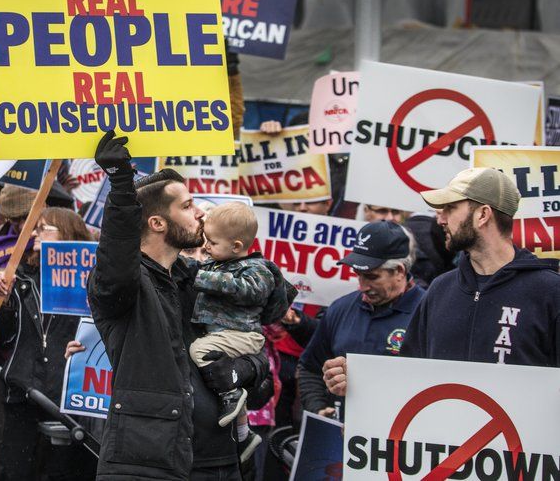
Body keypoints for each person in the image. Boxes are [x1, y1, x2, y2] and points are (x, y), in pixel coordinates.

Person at [87, 131, 270, 480]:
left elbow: (257, 352)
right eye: (187, 206)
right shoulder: (124, 285)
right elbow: (117, 262)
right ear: (157, 223)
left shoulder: (203, 279)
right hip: (152, 465)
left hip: (221, 462)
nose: (200, 213)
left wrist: (243, 369)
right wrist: (121, 187)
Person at [323, 168, 560, 398]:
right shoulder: (441, 289)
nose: (440, 218)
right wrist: (359, 380)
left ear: (483, 215)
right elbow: (409, 376)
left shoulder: (549, 292)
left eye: (450, 208)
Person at [0, 207, 97, 480]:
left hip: (68, 397)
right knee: (16, 472)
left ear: (69, 235)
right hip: (24, 391)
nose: (35, 233)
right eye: (35, 228)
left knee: (62, 473)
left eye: (44, 228)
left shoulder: (92, 284)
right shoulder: (21, 279)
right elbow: (2, 336)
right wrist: (3, 303)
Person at [189, 202, 288, 461]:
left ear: (235, 246)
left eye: (212, 242)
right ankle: (244, 436)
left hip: (242, 335)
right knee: (217, 369)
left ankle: (230, 393)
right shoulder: (216, 265)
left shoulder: (256, 269)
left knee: (199, 350)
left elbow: (248, 290)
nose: (205, 249)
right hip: (226, 336)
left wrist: (199, 276)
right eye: (201, 243)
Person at [298, 220, 425, 420]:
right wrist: (319, 409)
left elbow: (437, 384)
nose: (363, 286)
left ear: (399, 271)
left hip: (399, 431)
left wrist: (365, 383)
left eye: (372, 277)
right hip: (341, 433)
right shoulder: (340, 308)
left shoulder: (428, 313)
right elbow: (310, 368)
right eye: (358, 275)